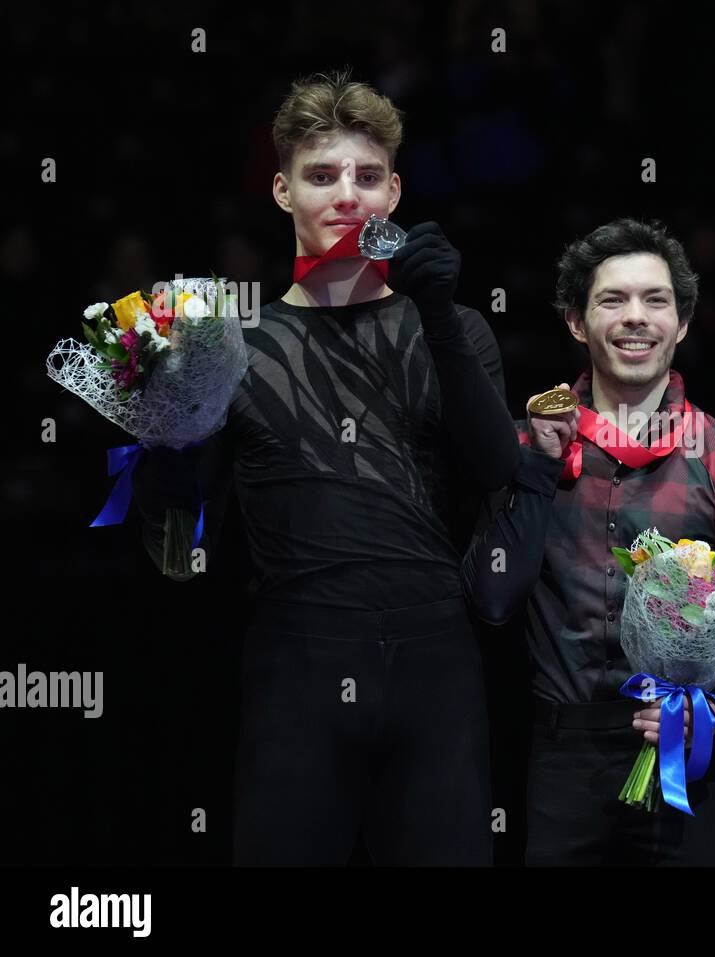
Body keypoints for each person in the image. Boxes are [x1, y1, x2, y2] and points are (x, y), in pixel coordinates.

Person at [131, 70, 518, 865]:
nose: (348, 195)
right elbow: (176, 561)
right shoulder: (227, 344)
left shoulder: (454, 324)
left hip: (436, 659)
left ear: (396, 192)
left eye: (368, 177)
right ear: (281, 191)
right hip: (294, 665)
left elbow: (498, 470)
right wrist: (165, 449)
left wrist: (439, 315)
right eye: (322, 175)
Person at [461, 218, 715, 865]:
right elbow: (492, 599)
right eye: (613, 299)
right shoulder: (528, 446)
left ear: (683, 321)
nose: (635, 317)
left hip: (693, 757)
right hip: (563, 764)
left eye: (655, 300)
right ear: (577, 322)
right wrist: (535, 470)